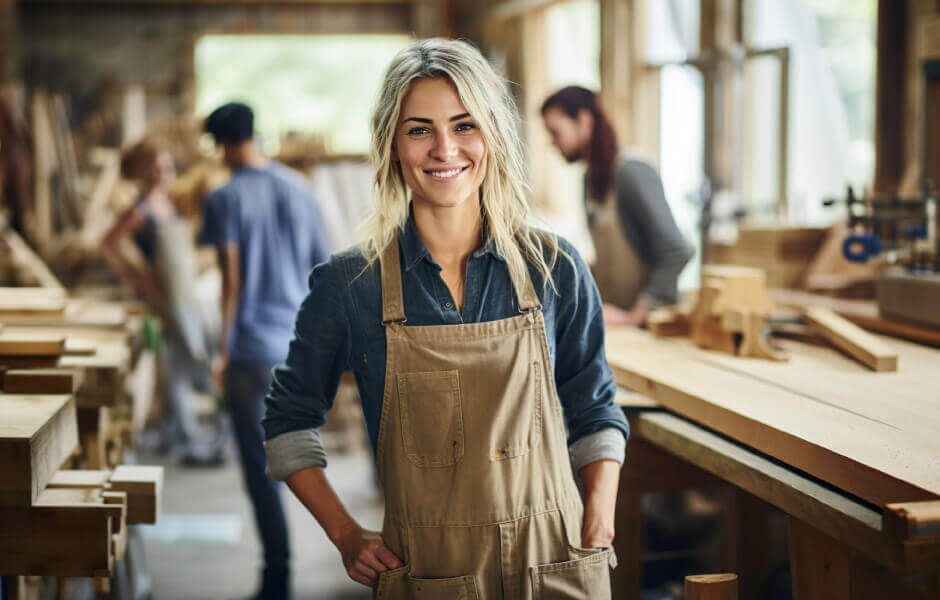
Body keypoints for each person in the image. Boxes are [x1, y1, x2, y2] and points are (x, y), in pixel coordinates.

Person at [262, 39, 628, 599]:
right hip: (429, 576)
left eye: (464, 126)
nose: (444, 149)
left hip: (558, 564)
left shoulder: (555, 267)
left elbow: (595, 406)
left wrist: (598, 518)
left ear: (493, 136)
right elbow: (287, 420)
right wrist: (345, 534)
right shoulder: (350, 285)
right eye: (418, 130)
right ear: (390, 145)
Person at [200, 102, 331, 600]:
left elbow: (231, 279)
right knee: (297, 456)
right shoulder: (301, 190)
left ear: (223, 144)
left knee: (262, 469)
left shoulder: (225, 196)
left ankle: (277, 577)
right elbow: (323, 272)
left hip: (251, 350)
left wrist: (221, 350)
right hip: (296, 348)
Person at [102, 140, 223, 466]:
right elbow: (108, 243)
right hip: (167, 298)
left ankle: (180, 432)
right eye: (157, 168)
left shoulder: (168, 204)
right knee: (179, 366)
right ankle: (187, 438)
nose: (164, 174)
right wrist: (136, 280)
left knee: (187, 362)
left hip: (186, 294)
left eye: (167, 167)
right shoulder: (139, 210)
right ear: (143, 172)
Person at [542, 86, 694, 327]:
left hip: (650, 328)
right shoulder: (590, 180)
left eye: (555, 132)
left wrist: (635, 316)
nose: (551, 143)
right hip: (617, 326)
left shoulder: (631, 173)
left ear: (584, 121)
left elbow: (677, 251)